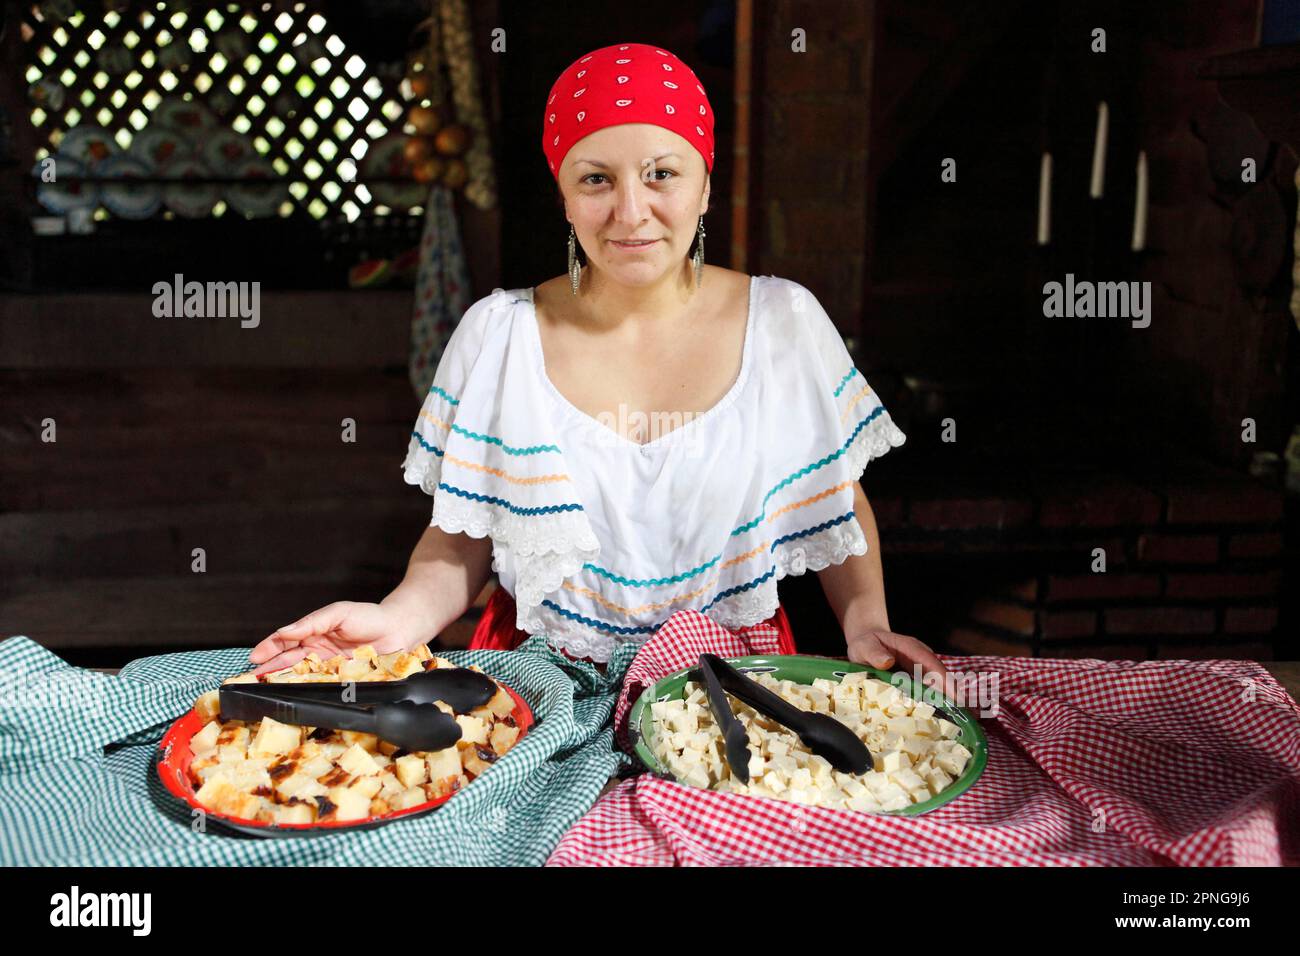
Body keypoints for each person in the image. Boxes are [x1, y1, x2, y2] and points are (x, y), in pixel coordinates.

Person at [251, 42, 953, 697]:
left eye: (662, 174)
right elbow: (464, 533)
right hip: (538, 685)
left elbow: (835, 497)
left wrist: (866, 620)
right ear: (563, 193)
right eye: (596, 179)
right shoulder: (500, 337)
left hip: (739, 692)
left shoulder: (784, 325)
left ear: (705, 186)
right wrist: (398, 621)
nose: (631, 211)